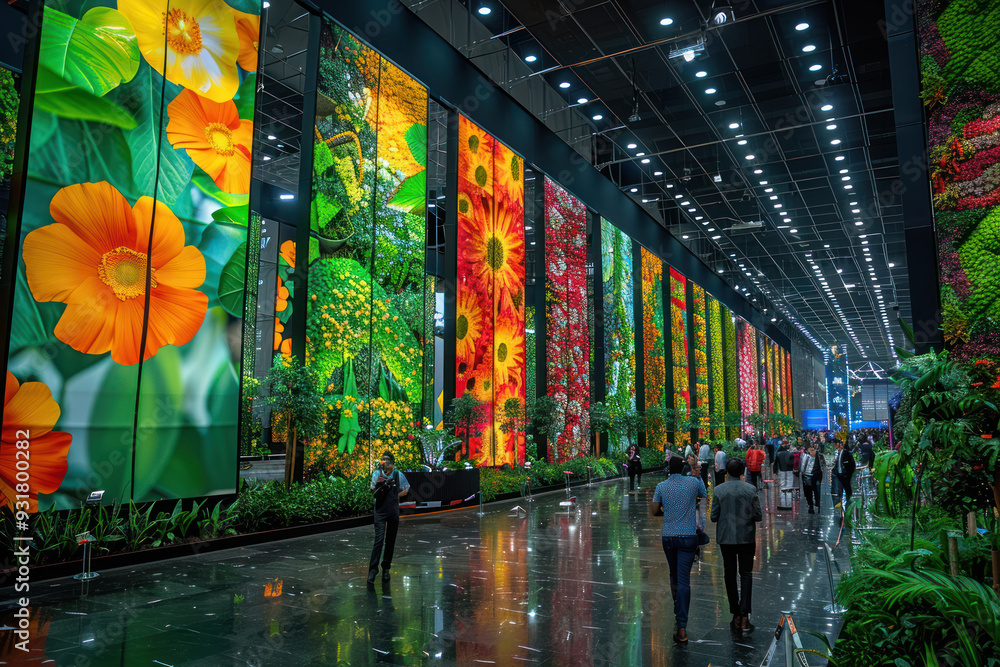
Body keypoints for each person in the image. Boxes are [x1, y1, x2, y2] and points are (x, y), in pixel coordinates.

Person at [650, 457, 708, 644]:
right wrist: (696, 475)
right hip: (688, 537)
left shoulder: (661, 486)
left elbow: (654, 510)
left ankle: (678, 612)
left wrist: (667, 512)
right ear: (682, 468)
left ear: (668, 468)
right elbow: (704, 493)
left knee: (674, 576)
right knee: (684, 580)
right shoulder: (692, 482)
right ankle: (681, 626)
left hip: (669, 537)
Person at [711, 458, 762, 637]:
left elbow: (713, 517)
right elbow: (757, 516)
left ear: (726, 472)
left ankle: (735, 612)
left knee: (729, 573)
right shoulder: (751, 489)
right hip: (746, 537)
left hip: (726, 539)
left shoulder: (718, 490)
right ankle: (745, 614)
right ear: (742, 472)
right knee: (746, 574)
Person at [368, 451, 410, 584]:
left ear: (392, 464)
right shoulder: (376, 474)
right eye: (383, 462)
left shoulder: (398, 474)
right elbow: (372, 489)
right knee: (379, 540)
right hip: (380, 511)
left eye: (388, 463)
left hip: (392, 512)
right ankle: (373, 571)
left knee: (390, 541)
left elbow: (406, 488)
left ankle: (386, 568)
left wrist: (395, 495)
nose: (385, 465)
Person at [831, 440, 856, 508]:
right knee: (840, 490)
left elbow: (852, 465)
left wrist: (848, 474)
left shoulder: (846, 453)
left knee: (847, 489)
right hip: (839, 475)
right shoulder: (838, 454)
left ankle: (848, 504)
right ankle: (841, 505)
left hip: (845, 475)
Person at [800, 445, 824, 513]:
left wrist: (802, 473)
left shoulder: (806, 456)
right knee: (817, 490)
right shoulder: (819, 456)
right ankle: (817, 503)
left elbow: (803, 465)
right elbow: (823, 465)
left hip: (808, 476)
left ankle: (811, 506)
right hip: (817, 475)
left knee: (808, 492)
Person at [773, 443, 795, 510]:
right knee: (789, 488)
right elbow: (792, 464)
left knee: (782, 488)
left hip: (781, 471)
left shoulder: (778, 454)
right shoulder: (790, 454)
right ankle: (789, 505)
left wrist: (775, 472)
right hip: (789, 472)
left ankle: (783, 504)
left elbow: (776, 464)